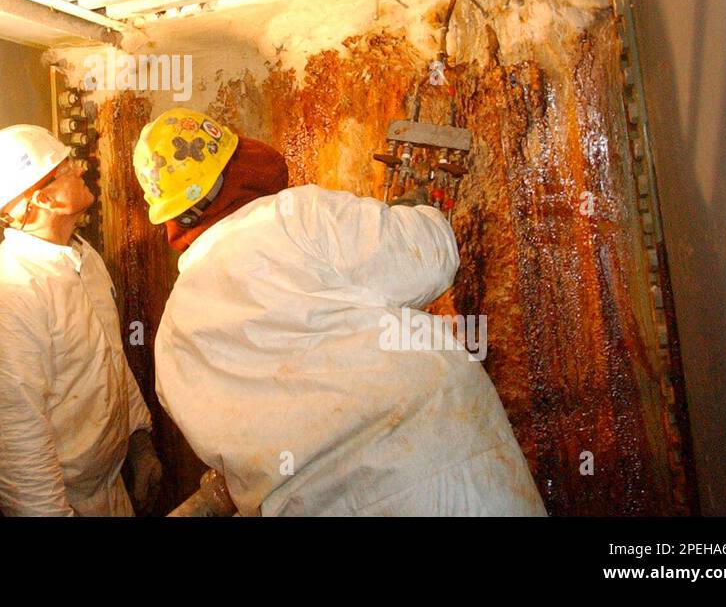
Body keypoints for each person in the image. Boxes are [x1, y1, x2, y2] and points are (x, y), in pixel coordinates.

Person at [133, 108, 546, 517]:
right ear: (231, 170)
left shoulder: (170, 340)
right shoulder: (293, 215)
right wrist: (414, 214)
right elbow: (429, 260)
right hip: (440, 467)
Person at [0, 124, 161, 516]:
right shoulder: (0, 305)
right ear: (44, 197)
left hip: (106, 489)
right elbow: (16, 449)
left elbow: (108, 359)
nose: (80, 170)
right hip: (59, 503)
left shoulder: (83, 258)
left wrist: (138, 444)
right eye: (66, 167)